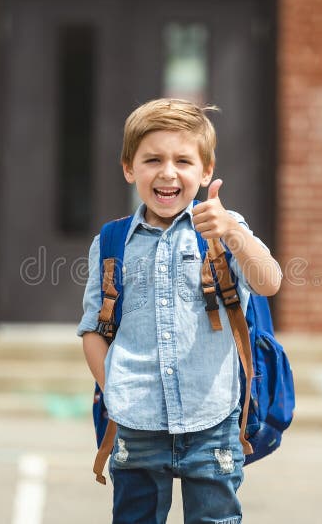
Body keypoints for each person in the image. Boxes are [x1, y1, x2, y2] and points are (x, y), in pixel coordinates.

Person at [77, 98, 282, 524]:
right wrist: (113, 389)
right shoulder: (113, 241)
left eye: (183, 161)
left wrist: (232, 233)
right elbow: (95, 328)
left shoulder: (224, 229)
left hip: (213, 420)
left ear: (205, 171)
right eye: (153, 159)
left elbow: (269, 281)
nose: (168, 172)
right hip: (136, 421)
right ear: (129, 168)